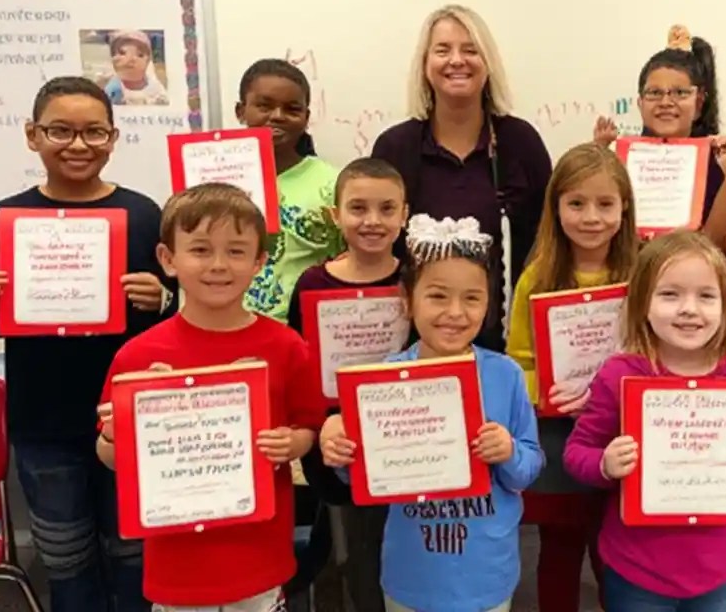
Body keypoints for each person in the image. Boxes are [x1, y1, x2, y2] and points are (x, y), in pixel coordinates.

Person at [0, 76, 173, 612]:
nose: (79, 145)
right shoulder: (6, 219)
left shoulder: (144, 214)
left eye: (94, 133)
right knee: (67, 564)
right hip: (43, 423)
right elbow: (0, 319)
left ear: (114, 137)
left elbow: (164, 324)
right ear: (33, 135)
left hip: (128, 416)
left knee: (135, 559)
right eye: (61, 131)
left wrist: (164, 300)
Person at [95, 183, 319, 611]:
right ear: (168, 259)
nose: (218, 265)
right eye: (200, 250)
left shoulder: (286, 347)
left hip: (258, 555)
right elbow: (109, 456)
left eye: (236, 252)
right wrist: (114, 434)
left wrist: (295, 444)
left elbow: (308, 425)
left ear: (259, 262)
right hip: (177, 562)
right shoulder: (139, 355)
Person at [319, 214, 544, 612]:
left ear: (489, 303)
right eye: (438, 295)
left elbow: (529, 468)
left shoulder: (505, 374)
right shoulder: (384, 380)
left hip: (487, 577)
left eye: (472, 298)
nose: (455, 312)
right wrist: (340, 449)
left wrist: (508, 450)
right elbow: (359, 478)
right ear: (408, 300)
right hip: (412, 578)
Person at [564, 230, 726, 610]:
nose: (689, 309)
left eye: (706, 296)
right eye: (670, 294)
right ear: (642, 303)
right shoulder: (619, 375)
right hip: (638, 568)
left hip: (717, 567)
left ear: (725, 306)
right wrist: (604, 464)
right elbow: (576, 453)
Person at [370, 4, 552, 353]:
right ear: (425, 65)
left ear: (488, 64)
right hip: (413, 346)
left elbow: (547, 241)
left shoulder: (520, 142)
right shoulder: (395, 147)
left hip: (505, 346)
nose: (457, 60)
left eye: (470, 50)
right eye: (442, 50)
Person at [505, 143, 640, 612]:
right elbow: (516, 364)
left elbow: (661, 357)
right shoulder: (537, 278)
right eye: (576, 203)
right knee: (559, 551)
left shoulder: (642, 274)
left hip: (623, 438)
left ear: (625, 209)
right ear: (555, 207)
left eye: (605, 204)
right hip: (559, 437)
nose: (591, 217)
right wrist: (544, 391)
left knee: (617, 554)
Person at [288, 158, 409, 612]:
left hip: (402, 442)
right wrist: (324, 425)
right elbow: (301, 367)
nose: (372, 221)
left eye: (386, 209)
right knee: (350, 554)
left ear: (404, 215)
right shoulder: (312, 283)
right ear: (336, 215)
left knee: (397, 552)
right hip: (337, 443)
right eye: (358, 208)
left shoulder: (414, 279)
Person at [593, 25, 726, 249]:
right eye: (654, 93)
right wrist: (598, 154)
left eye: (680, 93)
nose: (666, 102)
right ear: (640, 103)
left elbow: (711, 244)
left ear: (699, 102)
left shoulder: (719, 162)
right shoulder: (621, 160)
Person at [240, 58, 345, 324]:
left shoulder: (334, 184)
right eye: (264, 105)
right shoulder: (208, 178)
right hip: (222, 330)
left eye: (292, 109)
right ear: (241, 111)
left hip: (302, 331)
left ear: (306, 117)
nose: (277, 116)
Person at [104, 30, 169, 106]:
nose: (131, 59)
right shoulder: (113, 88)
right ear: (113, 59)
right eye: (122, 53)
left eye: (140, 55)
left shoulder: (154, 86)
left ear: (147, 62)